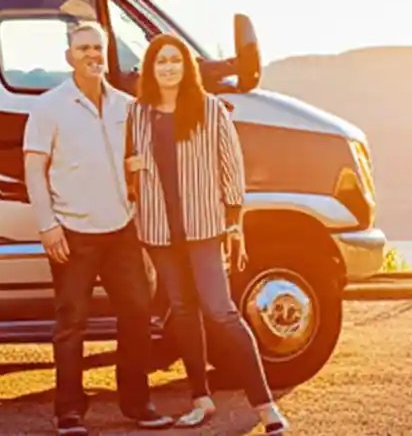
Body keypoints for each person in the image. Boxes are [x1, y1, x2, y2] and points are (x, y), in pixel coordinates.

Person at [124, 33, 290, 433]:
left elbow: (231, 168)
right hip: (159, 231)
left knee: (221, 311)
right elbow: (130, 165)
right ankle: (200, 398)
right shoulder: (137, 114)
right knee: (182, 312)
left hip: (203, 227)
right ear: (150, 69)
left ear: (187, 67)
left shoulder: (210, 108)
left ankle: (264, 404)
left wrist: (235, 223)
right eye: (160, 61)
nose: (168, 68)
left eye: (175, 60)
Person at [22, 21, 174, 436]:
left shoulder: (126, 106)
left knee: (138, 314)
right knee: (72, 324)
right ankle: (69, 412)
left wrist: (143, 226)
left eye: (98, 48)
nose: (92, 54)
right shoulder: (49, 107)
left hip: (122, 229)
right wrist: (47, 226)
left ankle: (138, 404)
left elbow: (139, 167)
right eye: (83, 48)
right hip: (72, 232)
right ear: (69, 56)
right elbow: (34, 170)